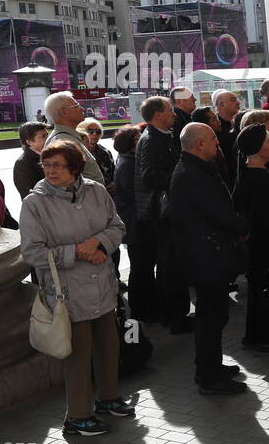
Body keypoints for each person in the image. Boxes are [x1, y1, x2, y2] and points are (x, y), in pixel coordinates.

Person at [19, 140, 130, 436]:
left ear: (75, 167)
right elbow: (32, 253)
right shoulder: (35, 203)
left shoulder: (96, 191)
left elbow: (117, 226)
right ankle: (79, 416)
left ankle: (109, 398)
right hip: (68, 292)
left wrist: (100, 244)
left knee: (109, 345)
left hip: (102, 284)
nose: (50, 170)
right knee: (78, 355)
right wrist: (76, 252)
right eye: (46, 164)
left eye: (58, 165)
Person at [171, 123, 250, 394]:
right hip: (204, 257)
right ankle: (208, 377)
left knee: (213, 316)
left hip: (209, 254)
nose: (218, 143)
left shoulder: (198, 168)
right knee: (211, 318)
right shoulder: (191, 175)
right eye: (213, 140)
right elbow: (218, 213)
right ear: (199, 144)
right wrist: (245, 226)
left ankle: (211, 366)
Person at [232, 124, 269, 353]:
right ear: (257, 148)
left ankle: (257, 337)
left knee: (259, 290)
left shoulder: (251, 172)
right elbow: (266, 214)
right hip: (264, 244)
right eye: (268, 141)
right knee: (265, 291)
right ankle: (264, 339)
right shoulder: (259, 177)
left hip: (258, 243)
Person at [133, 95, 189, 330]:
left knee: (172, 263)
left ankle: (175, 314)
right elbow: (150, 176)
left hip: (166, 211)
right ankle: (174, 316)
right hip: (163, 213)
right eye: (169, 110)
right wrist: (180, 180)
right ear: (157, 115)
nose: (174, 114)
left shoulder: (161, 136)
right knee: (170, 264)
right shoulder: (152, 140)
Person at [43, 92, 104, 185]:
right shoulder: (62, 141)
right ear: (64, 112)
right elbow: (66, 184)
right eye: (76, 106)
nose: (82, 109)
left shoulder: (67, 137)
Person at [112, 125, 141, 276]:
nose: (141, 140)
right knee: (140, 266)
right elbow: (134, 193)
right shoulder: (128, 163)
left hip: (133, 218)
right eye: (137, 139)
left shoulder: (130, 159)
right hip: (133, 220)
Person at [76, 117, 115, 196]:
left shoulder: (105, 152)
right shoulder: (77, 153)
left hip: (108, 193)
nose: (95, 134)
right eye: (90, 131)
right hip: (87, 194)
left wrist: (113, 183)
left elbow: (113, 171)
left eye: (98, 131)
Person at [13, 121, 48, 200]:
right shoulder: (22, 164)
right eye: (43, 136)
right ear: (29, 142)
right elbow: (30, 194)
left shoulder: (53, 155)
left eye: (47, 134)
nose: (48, 138)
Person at [213, 90, 242, 166]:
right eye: (233, 100)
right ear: (222, 104)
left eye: (237, 99)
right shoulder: (213, 127)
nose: (238, 102)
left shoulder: (240, 122)